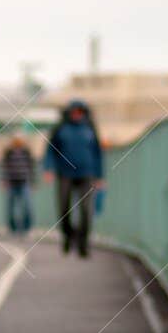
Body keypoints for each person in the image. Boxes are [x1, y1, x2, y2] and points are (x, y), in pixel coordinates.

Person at [43, 99, 106, 257]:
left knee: (86, 210)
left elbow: (98, 153)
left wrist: (100, 176)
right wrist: (48, 168)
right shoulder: (61, 128)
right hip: (65, 174)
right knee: (64, 208)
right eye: (74, 112)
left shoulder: (90, 128)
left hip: (86, 174)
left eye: (80, 112)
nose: (77, 115)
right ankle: (68, 236)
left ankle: (83, 243)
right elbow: (50, 150)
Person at [0, 134, 35, 236]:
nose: (18, 142)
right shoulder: (8, 153)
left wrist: (32, 182)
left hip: (24, 183)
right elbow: (4, 167)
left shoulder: (26, 152)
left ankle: (27, 229)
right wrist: (3, 180)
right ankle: (12, 229)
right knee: (10, 208)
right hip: (11, 183)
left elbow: (31, 168)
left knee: (27, 207)